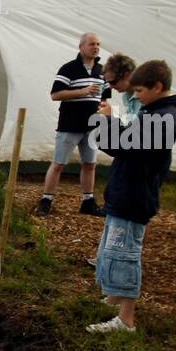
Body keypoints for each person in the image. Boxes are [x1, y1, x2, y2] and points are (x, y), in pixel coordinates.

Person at [87, 59, 176, 334]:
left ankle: (126, 320)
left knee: (124, 255)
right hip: (126, 193)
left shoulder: (161, 119)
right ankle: (115, 296)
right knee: (112, 249)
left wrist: (108, 121)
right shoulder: (153, 113)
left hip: (134, 198)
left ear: (158, 87)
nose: (135, 95)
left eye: (140, 90)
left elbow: (120, 146)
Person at [38, 32, 112, 217]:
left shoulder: (102, 71)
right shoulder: (69, 69)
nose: (95, 47)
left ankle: (88, 201)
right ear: (81, 47)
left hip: (92, 126)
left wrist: (102, 108)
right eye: (92, 44)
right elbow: (55, 95)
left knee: (90, 164)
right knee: (58, 164)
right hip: (70, 124)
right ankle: (46, 200)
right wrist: (83, 91)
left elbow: (104, 99)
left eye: (98, 44)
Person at [100, 53, 141, 120]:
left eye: (113, 82)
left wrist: (112, 116)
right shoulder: (126, 95)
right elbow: (129, 123)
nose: (110, 87)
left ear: (127, 75)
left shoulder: (146, 95)